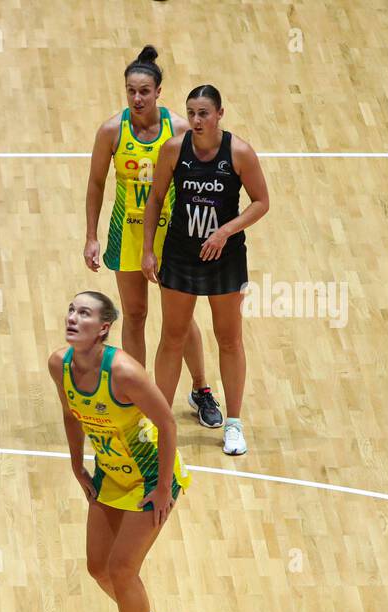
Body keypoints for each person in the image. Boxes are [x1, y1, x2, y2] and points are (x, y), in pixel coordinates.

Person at [47, 291, 190, 612]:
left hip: (149, 477)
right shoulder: (60, 364)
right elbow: (71, 414)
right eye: (71, 309)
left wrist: (163, 488)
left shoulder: (124, 372)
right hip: (110, 471)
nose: (73, 317)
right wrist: (77, 465)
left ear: (104, 327)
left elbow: (166, 422)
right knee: (97, 567)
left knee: (122, 569)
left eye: (84, 313)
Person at [83, 45, 220, 429]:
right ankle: (136, 394)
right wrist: (91, 236)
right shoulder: (112, 130)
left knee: (180, 320)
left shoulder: (178, 129)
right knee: (135, 314)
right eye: (131, 91)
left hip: (173, 237)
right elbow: (95, 184)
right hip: (126, 233)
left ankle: (201, 388)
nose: (137, 98)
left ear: (159, 91)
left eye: (144, 91)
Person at [142, 85, 270, 455]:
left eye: (204, 114)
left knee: (229, 339)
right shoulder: (173, 150)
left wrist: (226, 231)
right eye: (191, 113)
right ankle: (160, 423)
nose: (196, 121)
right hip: (181, 253)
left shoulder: (239, 152)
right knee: (172, 336)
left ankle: (233, 424)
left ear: (219, 114)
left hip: (225, 257)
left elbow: (261, 202)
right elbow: (155, 198)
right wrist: (149, 250)